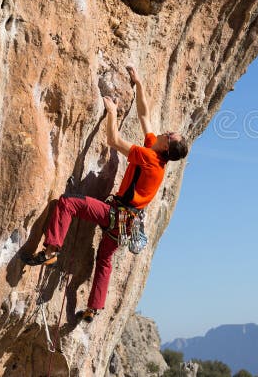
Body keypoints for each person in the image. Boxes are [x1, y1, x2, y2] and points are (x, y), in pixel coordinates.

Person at [23, 66, 188, 322]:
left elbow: (113, 140)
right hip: (126, 223)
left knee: (68, 203)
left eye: (168, 135)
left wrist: (111, 112)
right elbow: (144, 114)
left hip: (114, 213)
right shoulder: (155, 154)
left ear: (166, 144)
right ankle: (94, 307)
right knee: (104, 260)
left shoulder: (149, 158)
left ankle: (51, 250)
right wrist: (139, 84)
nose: (165, 132)